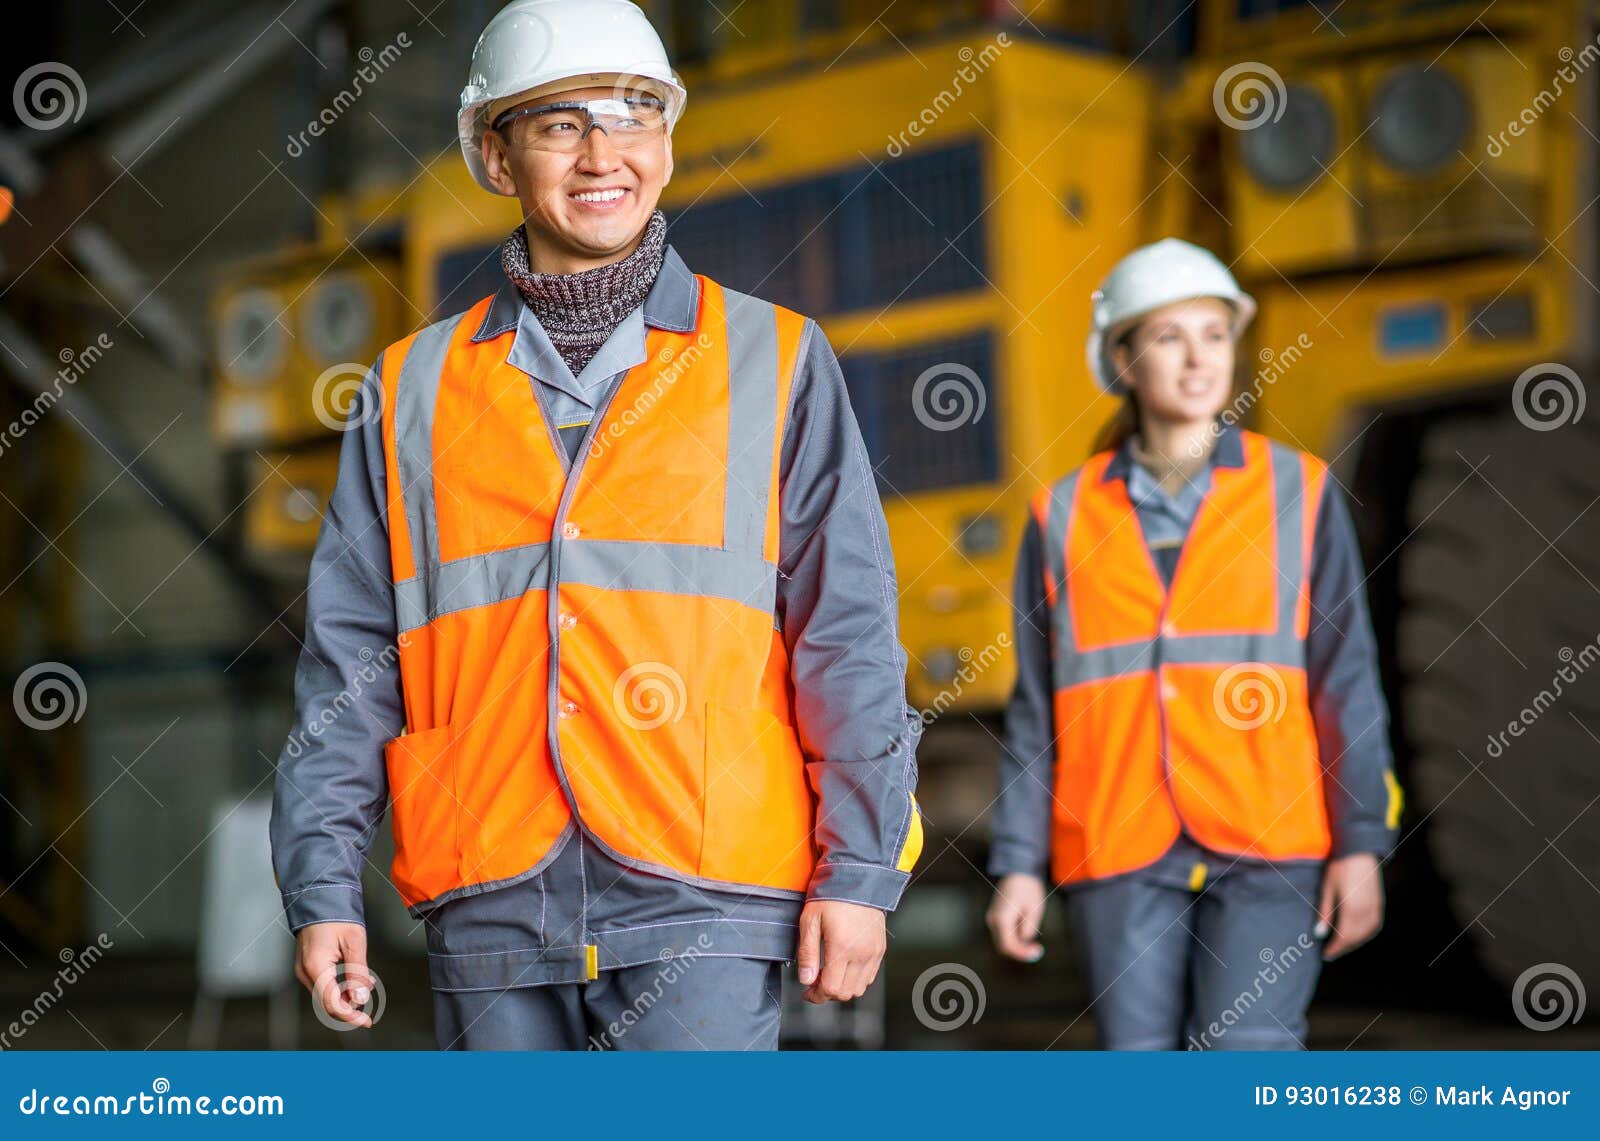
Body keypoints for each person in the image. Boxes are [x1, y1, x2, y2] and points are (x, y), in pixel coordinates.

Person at [270, 0, 921, 1051]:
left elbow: (844, 633)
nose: (601, 153)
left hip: (704, 884)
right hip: (487, 885)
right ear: (495, 154)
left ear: (665, 141)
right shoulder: (409, 392)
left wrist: (859, 868)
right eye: (558, 124)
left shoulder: (776, 360)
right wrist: (322, 882)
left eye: (632, 114)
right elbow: (350, 662)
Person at [985, 238, 1401, 1050]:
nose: (1196, 358)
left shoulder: (1299, 490)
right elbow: (1036, 712)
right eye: (1169, 337)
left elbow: (1344, 678)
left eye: (1213, 335)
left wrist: (1361, 845)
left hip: (1269, 832)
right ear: (1124, 360)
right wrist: (1019, 865)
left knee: (1248, 1055)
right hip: (1117, 836)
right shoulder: (1061, 516)